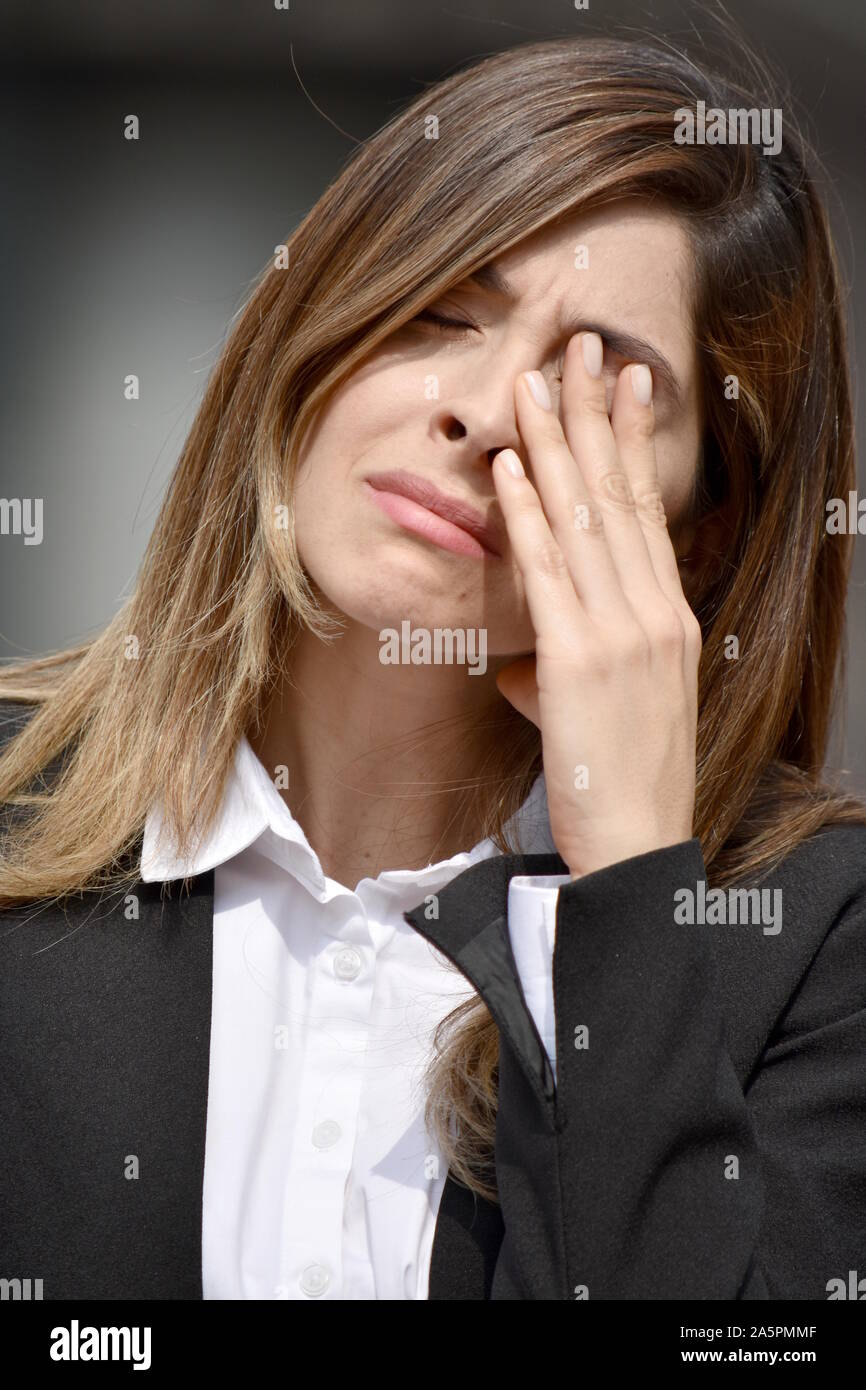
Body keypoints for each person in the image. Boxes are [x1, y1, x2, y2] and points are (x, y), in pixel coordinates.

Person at [1, 28, 865, 1301]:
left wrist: (627, 872)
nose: (473, 410)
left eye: (594, 391)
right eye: (438, 311)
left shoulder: (811, 939)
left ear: (701, 529)